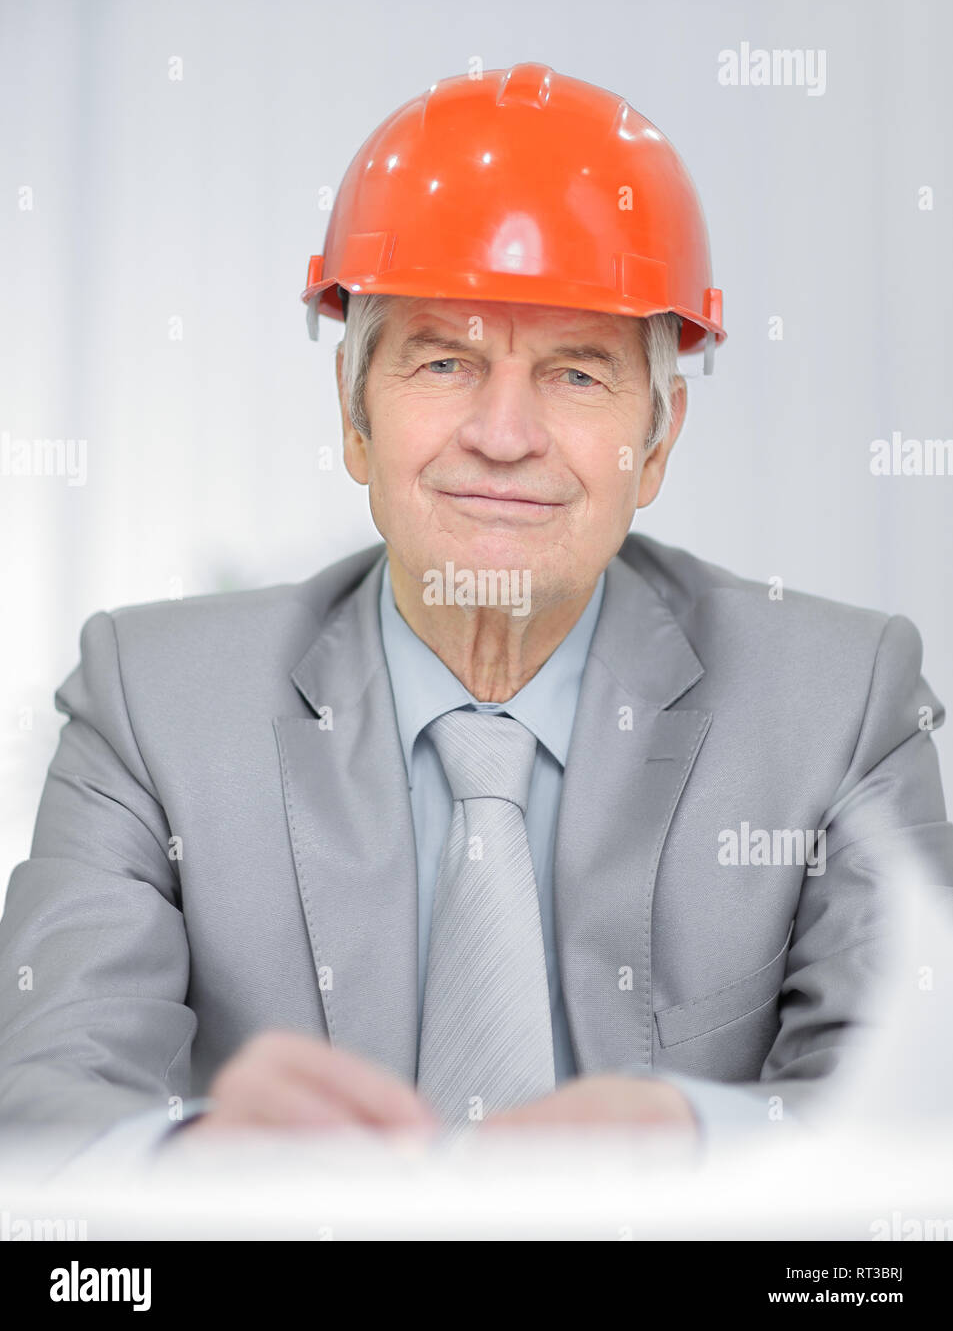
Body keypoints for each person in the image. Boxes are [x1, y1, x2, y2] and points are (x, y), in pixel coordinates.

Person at [2, 63, 951, 1171]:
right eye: (443, 360)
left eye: (576, 375)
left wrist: (698, 1139)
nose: (503, 435)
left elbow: (915, 1108)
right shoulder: (149, 701)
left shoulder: (840, 702)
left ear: (657, 441)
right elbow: (44, 1098)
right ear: (355, 420)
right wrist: (195, 1159)